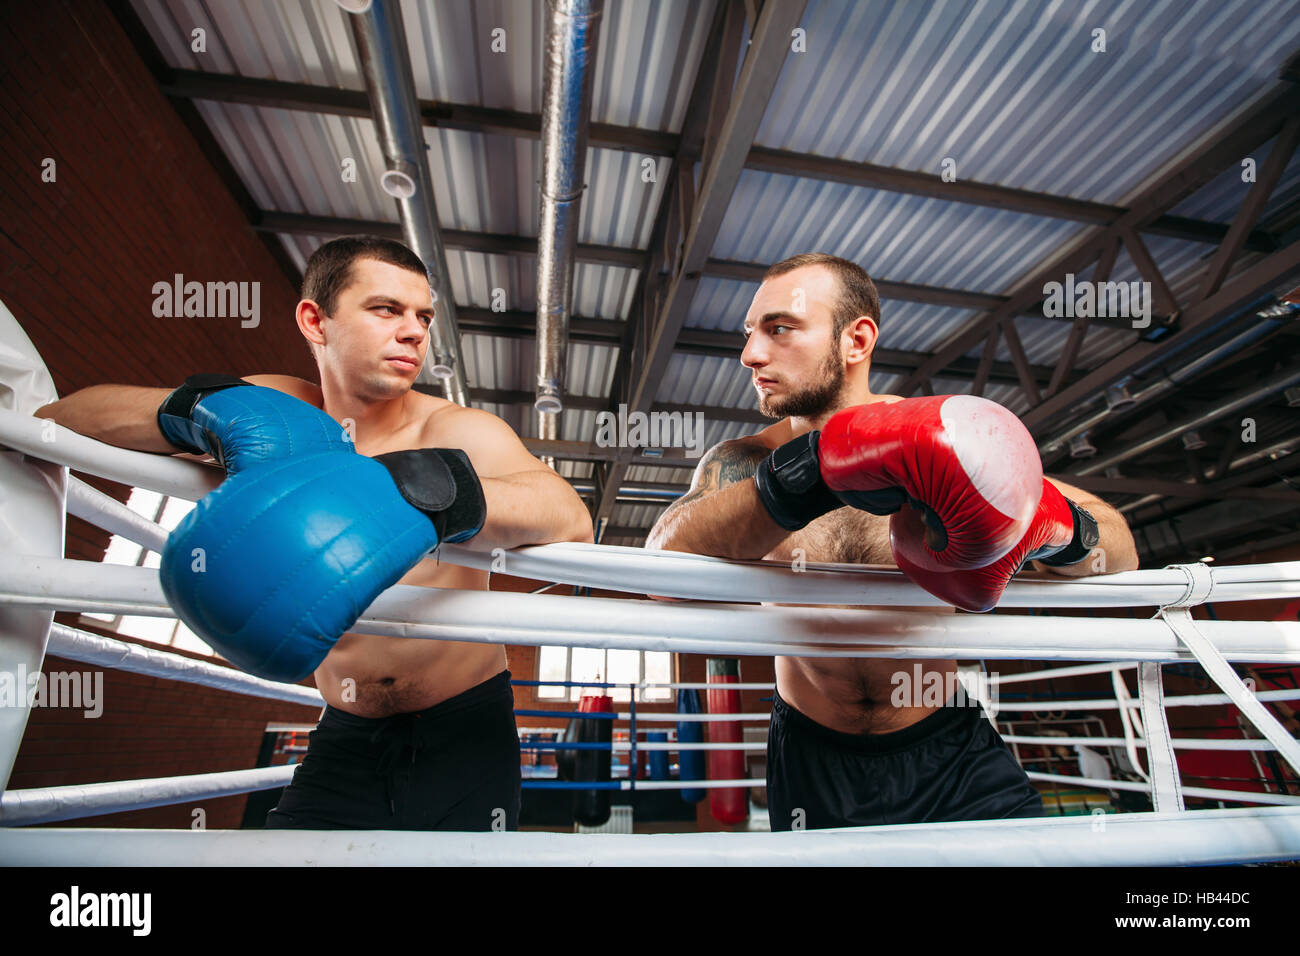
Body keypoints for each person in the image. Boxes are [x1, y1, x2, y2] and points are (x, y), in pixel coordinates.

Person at [35, 235, 593, 831]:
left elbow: (569, 516)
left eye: (423, 317)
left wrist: (422, 488)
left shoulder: (454, 430)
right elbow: (61, 419)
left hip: (465, 728)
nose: (414, 332)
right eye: (386, 309)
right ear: (315, 320)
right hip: (345, 727)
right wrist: (197, 411)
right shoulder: (272, 405)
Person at [645, 252, 1139, 830]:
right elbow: (662, 568)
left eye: (779, 328)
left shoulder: (940, 445)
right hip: (811, 755)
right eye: (752, 333)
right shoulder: (744, 463)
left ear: (856, 340)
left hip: (947, 748)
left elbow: (1120, 554)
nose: (751, 353)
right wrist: (809, 473)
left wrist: (1057, 527)